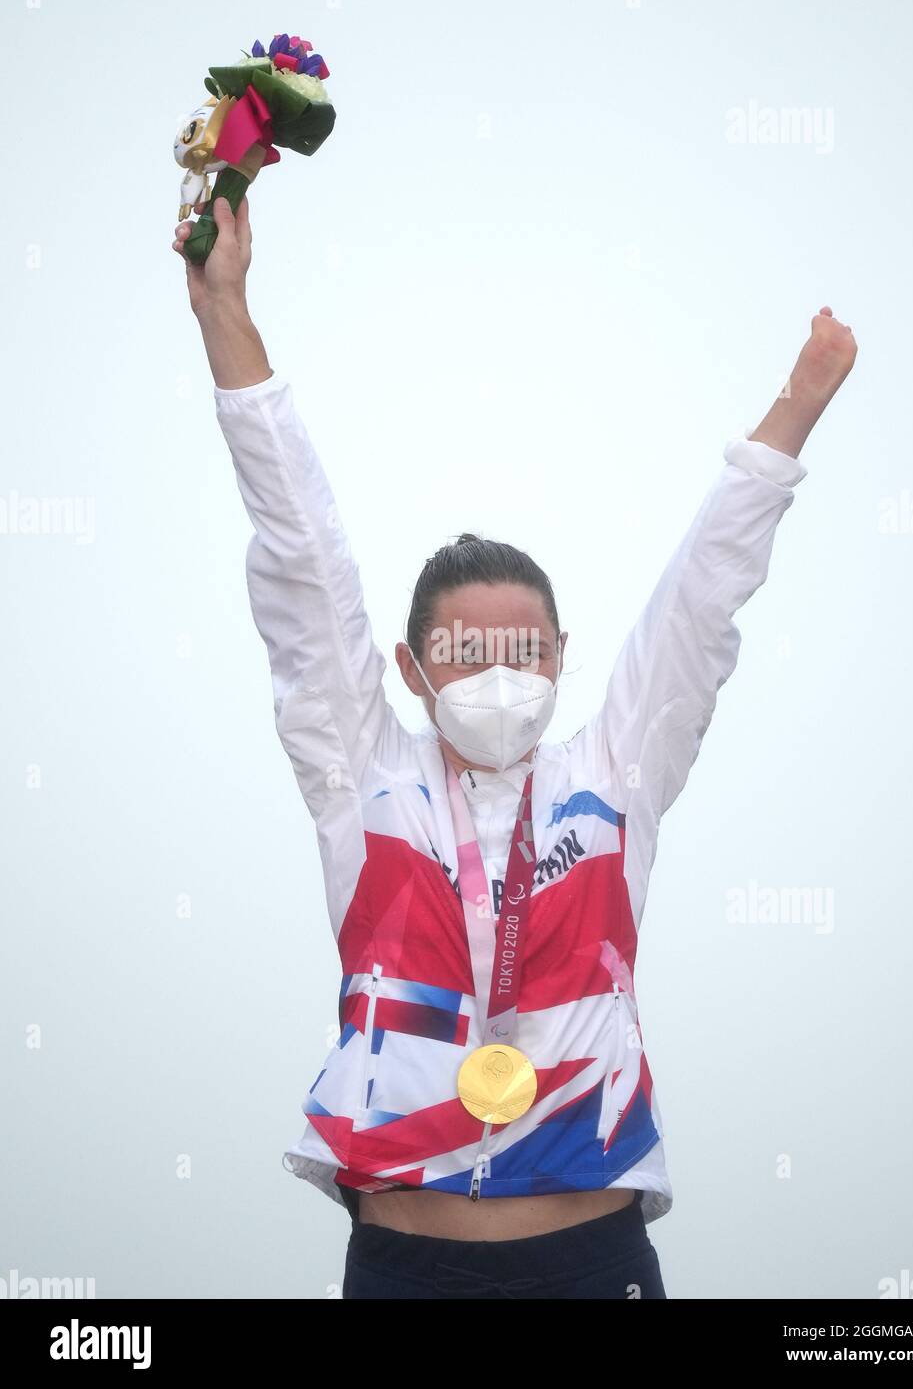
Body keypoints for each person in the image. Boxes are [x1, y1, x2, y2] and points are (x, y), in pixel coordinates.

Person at [173, 194, 857, 1299]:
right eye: (466, 647)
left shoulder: (614, 771)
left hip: (589, 1257)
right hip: (402, 1262)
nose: (499, 671)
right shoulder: (362, 773)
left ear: (560, 657)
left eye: (523, 648)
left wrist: (795, 409)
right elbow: (301, 558)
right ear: (406, 667)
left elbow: (699, 602)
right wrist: (226, 315)